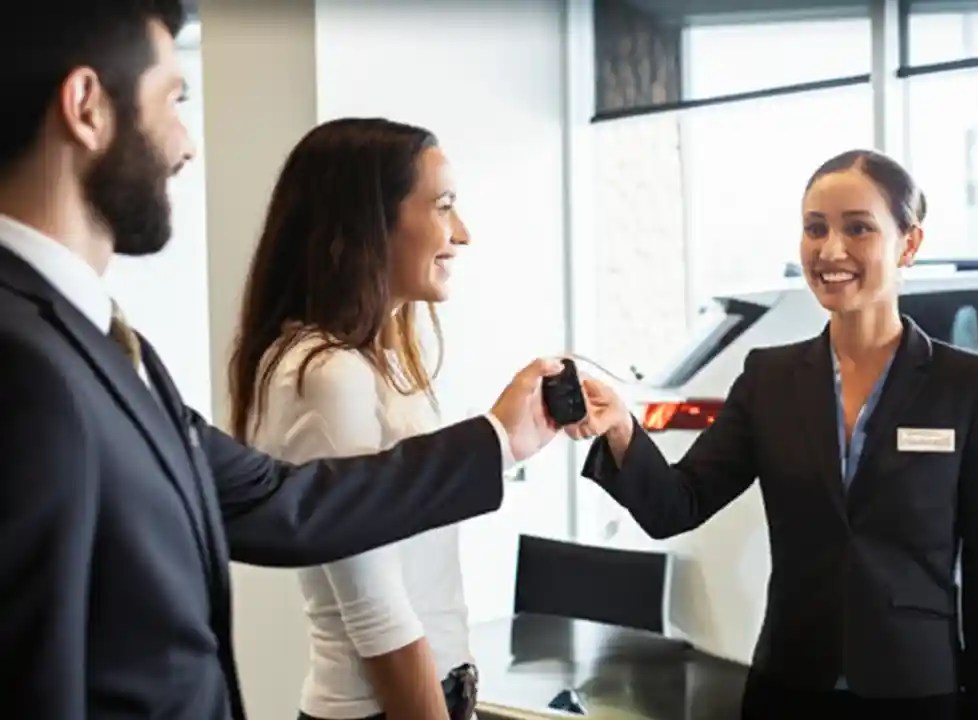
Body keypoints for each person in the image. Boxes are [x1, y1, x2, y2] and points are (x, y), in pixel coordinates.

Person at [0, 5, 563, 719]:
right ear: (87, 107)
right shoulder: (21, 360)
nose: (187, 146)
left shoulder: (106, 345)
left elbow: (286, 503)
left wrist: (500, 440)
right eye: (175, 99)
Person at [570, 149, 978, 719]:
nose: (830, 250)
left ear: (908, 244)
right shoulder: (770, 379)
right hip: (789, 687)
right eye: (815, 228)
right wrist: (620, 427)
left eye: (857, 228)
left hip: (916, 692)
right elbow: (676, 505)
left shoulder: (969, 387)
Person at [227, 118, 481, 720]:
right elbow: (375, 611)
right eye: (443, 206)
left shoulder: (379, 362)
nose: (462, 234)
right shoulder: (329, 373)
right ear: (369, 222)